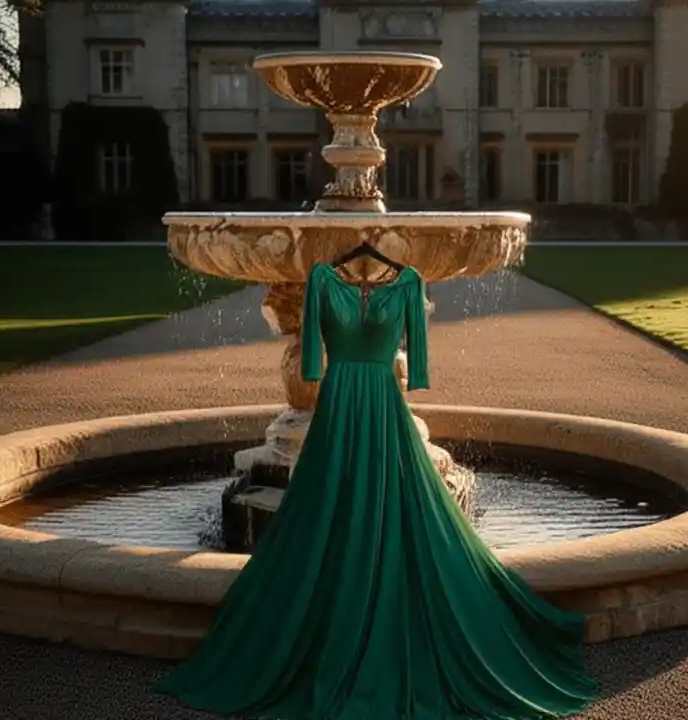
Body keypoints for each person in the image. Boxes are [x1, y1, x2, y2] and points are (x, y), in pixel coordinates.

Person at [157, 261, 597, 719]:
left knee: (394, 501)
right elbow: (312, 357)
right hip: (339, 403)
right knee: (331, 500)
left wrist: (410, 372)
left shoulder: (408, 282)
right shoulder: (322, 280)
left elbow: (416, 358)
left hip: (383, 404)